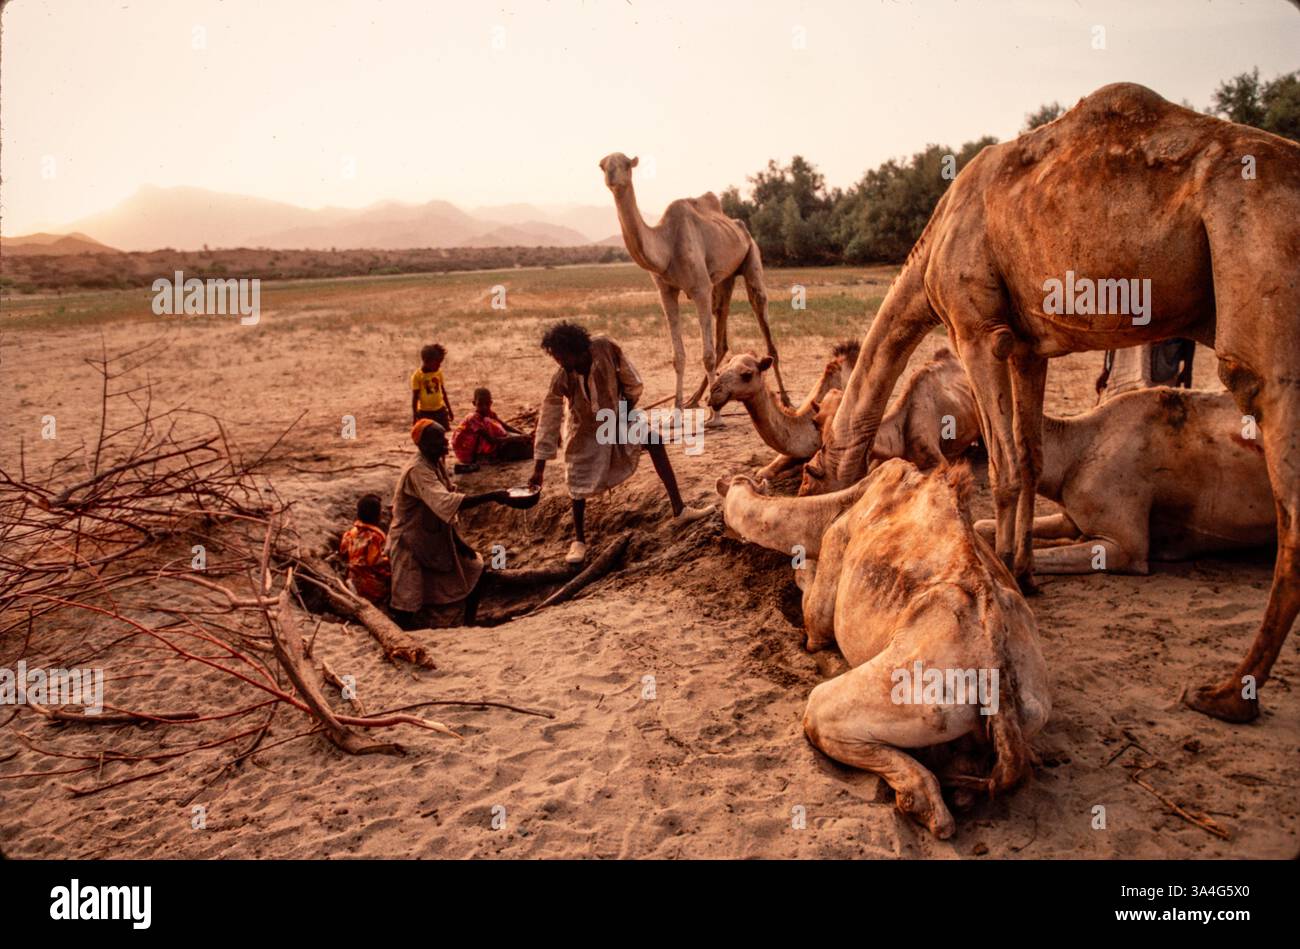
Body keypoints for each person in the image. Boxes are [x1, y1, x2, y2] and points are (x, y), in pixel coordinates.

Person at [528, 321, 713, 566]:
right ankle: (579, 540)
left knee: (654, 441)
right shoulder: (562, 378)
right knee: (577, 479)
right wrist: (538, 469)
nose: (558, 361)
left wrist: (626, 407)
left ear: (573, 349)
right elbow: (549, 420)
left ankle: (679, 509)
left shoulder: (604, 347)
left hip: (619, 416)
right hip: (582, 431)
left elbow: (630, 377)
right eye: (555, 356)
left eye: (560, 355)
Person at [386, 419, 512, 627]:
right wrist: (493, 496)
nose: (446, 443)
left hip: (431, 538)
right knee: (406, 604)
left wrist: (459, 543)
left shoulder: (435, 463)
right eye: (439, 439)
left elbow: (445, 504)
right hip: (409, 543)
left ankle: (469, 625)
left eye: (444, 437)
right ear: (423, 444)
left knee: (476, 570)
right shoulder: (417, 470)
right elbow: (445, 502)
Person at [451, 387, 533, 471]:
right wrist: (517, 438)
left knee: (518, 442)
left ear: (491, 402)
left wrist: (522, 434)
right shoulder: (473, 418)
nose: (484, 407)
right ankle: (484, 457)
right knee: (520, 449)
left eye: (487, 404)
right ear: (474, 403)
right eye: (480, 404)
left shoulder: (489, 413)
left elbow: (505, 426)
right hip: (468, 454)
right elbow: (491, 440)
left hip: (480, 445)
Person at [338, 493, 391, 605]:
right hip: (368, 581)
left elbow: (343, 552)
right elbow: (373, 562)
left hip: (352, 574)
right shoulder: (375, 537)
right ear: (377, 515)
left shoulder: (350, 533)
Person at [411, 343, 453, 429]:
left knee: (442, 433)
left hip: (440, 411)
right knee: (428, 435)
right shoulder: (417, 376)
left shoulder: (438, 373)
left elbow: (443, 392)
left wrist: (449, 409)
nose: (439, 365)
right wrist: (415, 416)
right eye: (437, 363)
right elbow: (415, 398)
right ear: (427, 361)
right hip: (425, 413)